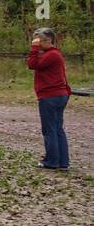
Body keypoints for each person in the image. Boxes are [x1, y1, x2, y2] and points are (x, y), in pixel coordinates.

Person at [27, 28, 71, 170]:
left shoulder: (51, 55)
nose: (37, 45)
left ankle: (51, 161)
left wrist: (33, 49)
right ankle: (62, 162)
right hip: (59, 94)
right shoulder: (53, 54)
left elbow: (32, 64)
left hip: (50, 96)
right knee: (58, 128)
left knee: (49, 129)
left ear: (47, 41)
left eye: (39, 41)